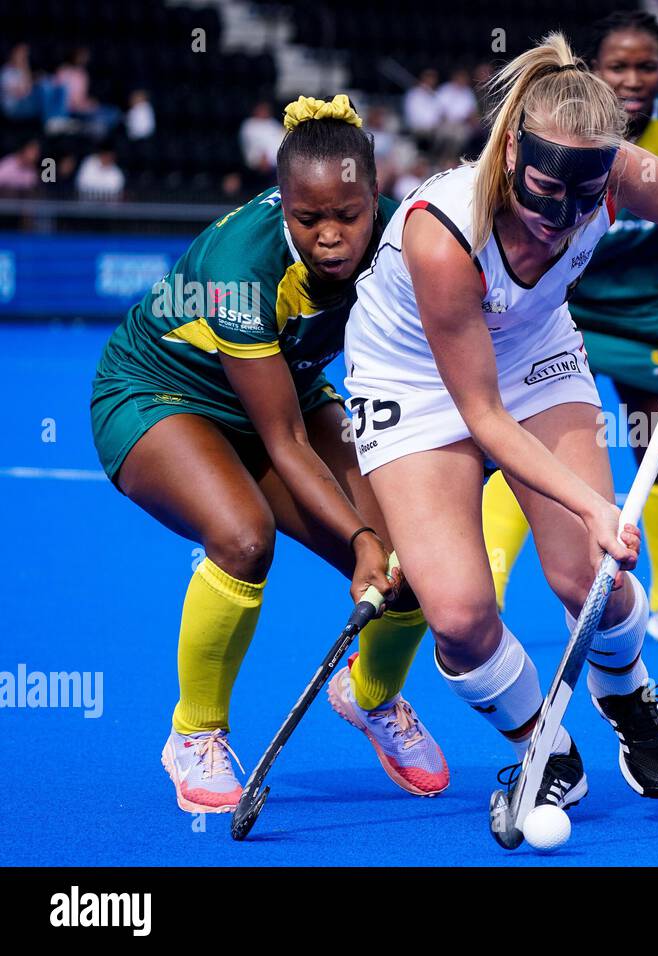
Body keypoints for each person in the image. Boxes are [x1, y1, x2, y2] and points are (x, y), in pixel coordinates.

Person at [342, 33, 658, 814]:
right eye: (540, 199)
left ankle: (625, 694)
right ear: (508, 156)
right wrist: (597, 505)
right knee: (457, 616)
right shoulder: (442, 234)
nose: (557, 226)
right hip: (414, 376)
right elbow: (482, 418)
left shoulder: (613, 167)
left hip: (534, 350)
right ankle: (542, 743)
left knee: (594, 579)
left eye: (582, 203)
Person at [90, 95, 447, 814]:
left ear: (377, 194)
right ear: (281, 203)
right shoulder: (237, 267)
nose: (329, 237)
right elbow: (281, 440)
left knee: (417, 561)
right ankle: (195, 732)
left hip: (286, 384)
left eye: (347, 215)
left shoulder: (403, 240)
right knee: (244, 537)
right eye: (307, 218)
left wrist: (388, 537)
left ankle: (370, 697)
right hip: (160, 394)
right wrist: (359, 538)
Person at [482, 10, 658, 647]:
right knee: (525, 451)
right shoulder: (551, 127)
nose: (633, 79)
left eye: (647, 65)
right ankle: (489, 586)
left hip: (655, 315)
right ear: (591, 69)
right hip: (564, 310)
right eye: (618, 66)